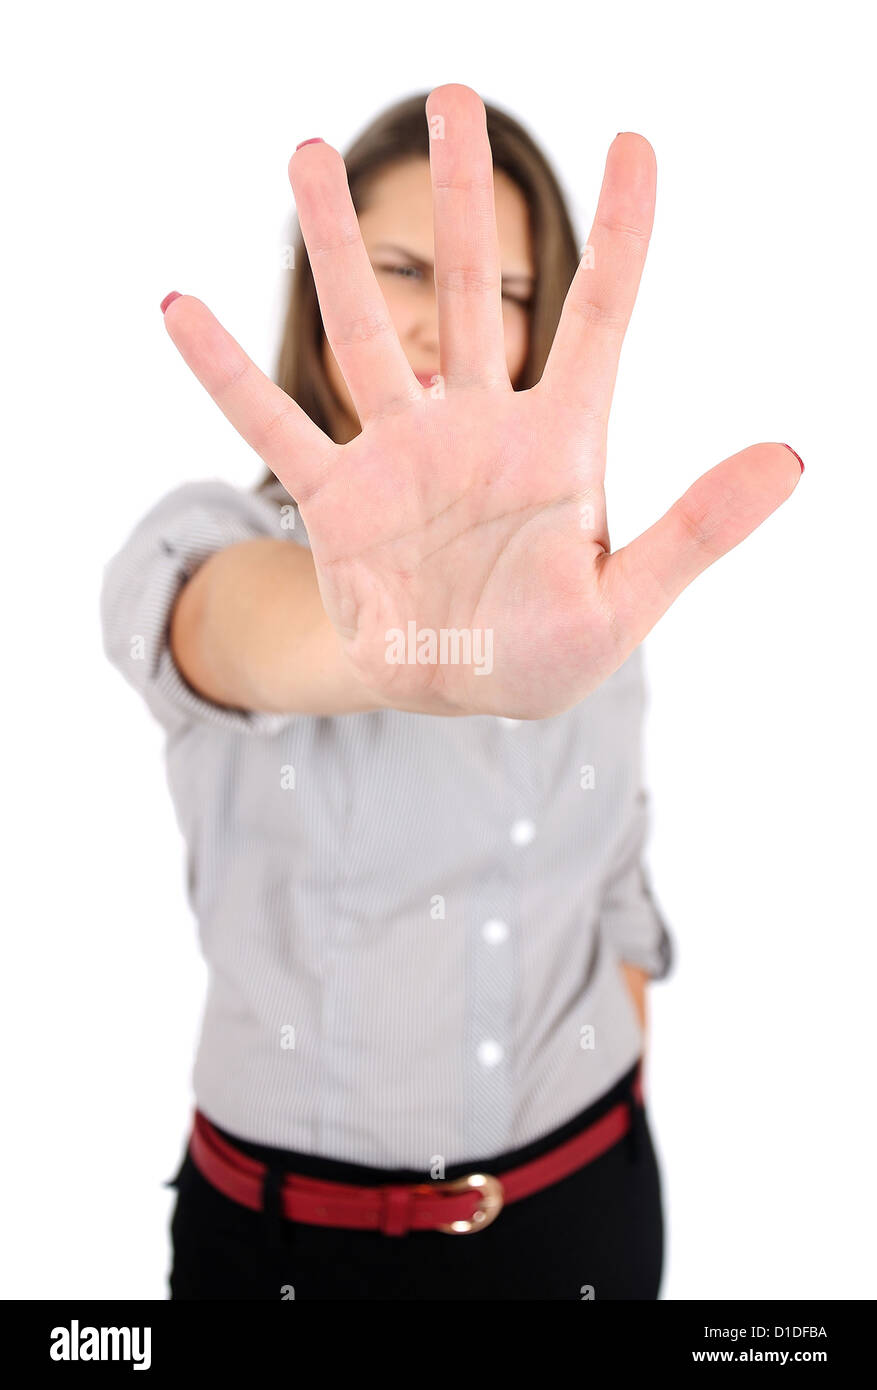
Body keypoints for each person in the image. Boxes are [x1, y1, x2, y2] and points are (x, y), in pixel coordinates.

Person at [100, 83, 802, 1300]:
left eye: (506, 291)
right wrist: (383, 632)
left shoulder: (575, 592)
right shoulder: (209, 543)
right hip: (286, 1252)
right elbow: (226, 632)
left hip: (583, 1210)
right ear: (323, 292)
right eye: (397, 271)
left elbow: (614, 879)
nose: (435, 320)